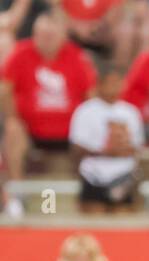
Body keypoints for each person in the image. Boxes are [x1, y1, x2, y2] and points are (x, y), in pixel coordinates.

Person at [1, 12, 96, 182]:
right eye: (42, 35)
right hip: (30, 130)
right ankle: (17, 191)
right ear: (34, 35)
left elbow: (91, 95)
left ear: (63, 37)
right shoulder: (21, 53)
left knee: (94, 128)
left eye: (51, 36)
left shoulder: (77, 57)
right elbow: (4, 88)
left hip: (70, 131)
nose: (46, 40)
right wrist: (12, 117)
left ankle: (89, 186)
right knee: (12, 129)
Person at [68, 67, 144, 214]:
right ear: (100, 84)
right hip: (93, 174)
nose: (114, 87)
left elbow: (137, 146)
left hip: (123, 174)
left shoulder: (130, 112)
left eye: (118, 82)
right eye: (111, 82)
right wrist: (106, 152)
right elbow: (77, 147)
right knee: (94, 221)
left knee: (123, 222)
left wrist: (121, 151)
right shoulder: (85, 111)